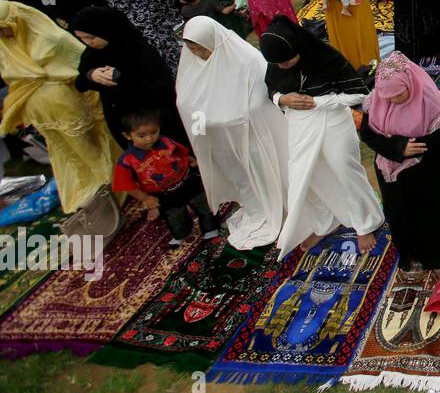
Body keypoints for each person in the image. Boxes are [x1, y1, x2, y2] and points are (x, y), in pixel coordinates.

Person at [259, 16, 384, 256]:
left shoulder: (325, 56)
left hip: (332, 118)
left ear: (298, 47)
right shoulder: (276, 60)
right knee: (310, 174)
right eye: (279, 64)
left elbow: (358, 94)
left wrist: (318, 102)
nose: (283, 66)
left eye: (287, 61)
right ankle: (325, 222)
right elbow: (271, 88)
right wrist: (282, 99)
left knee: (344, 169)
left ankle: (365, 222)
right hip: (299, 122)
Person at [177, 16, 287, 250]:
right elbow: (187, 103)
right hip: (220, 138)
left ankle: (281, 207)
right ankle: (257, 209)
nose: (200, 55)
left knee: (262, 171)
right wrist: (207, 122)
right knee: (241, 177)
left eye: (203, 49)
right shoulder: (194, 65)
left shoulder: (246, 59)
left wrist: (224, 117)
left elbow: (258, 102)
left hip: (253, 135)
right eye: (194, 50)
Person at [0, 1, 118, 213]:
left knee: (87, 146)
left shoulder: (50, 38)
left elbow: (80, 63)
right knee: (66, 151)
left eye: (2, 27)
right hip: (42, 111)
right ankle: (87, 190)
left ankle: (111, 186)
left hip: (67, 102)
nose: (2, 33)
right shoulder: (5, 46)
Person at [359, 52, 440, 271]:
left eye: (399, 94)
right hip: (393, 173)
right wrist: (397, 148)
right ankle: (409, 253)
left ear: (410, 83)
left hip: (427, 171)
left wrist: (410, 149)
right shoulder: (377, 100)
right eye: (388, 97)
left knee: (432, 214)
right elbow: (368, 134)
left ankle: (438, 257)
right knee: (400, 214)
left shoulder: (429, 100)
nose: (393, 101)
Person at [70, 6, 185, 151]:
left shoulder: (138, 50)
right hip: (123, 123)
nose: (87, 42)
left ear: (106, 31)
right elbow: (80, 84)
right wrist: (91, 75)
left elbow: (159, 87)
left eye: (91, 37)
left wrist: (121, 78)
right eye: (82, 39)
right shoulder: (92, 54)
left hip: (153, 121)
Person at [111, 109, 219, 245]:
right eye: (142, 136)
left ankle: (210, 227)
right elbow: (126, 185)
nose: (149, 138)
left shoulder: (165, 141)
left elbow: (181, 152)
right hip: (164, 194)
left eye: (153, 132)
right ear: (127, 136)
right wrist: (145, 198)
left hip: (188, 181)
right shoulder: (127, 161)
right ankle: (181, 233)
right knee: (174, 217)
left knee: (203, 204)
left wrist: (192, 161)